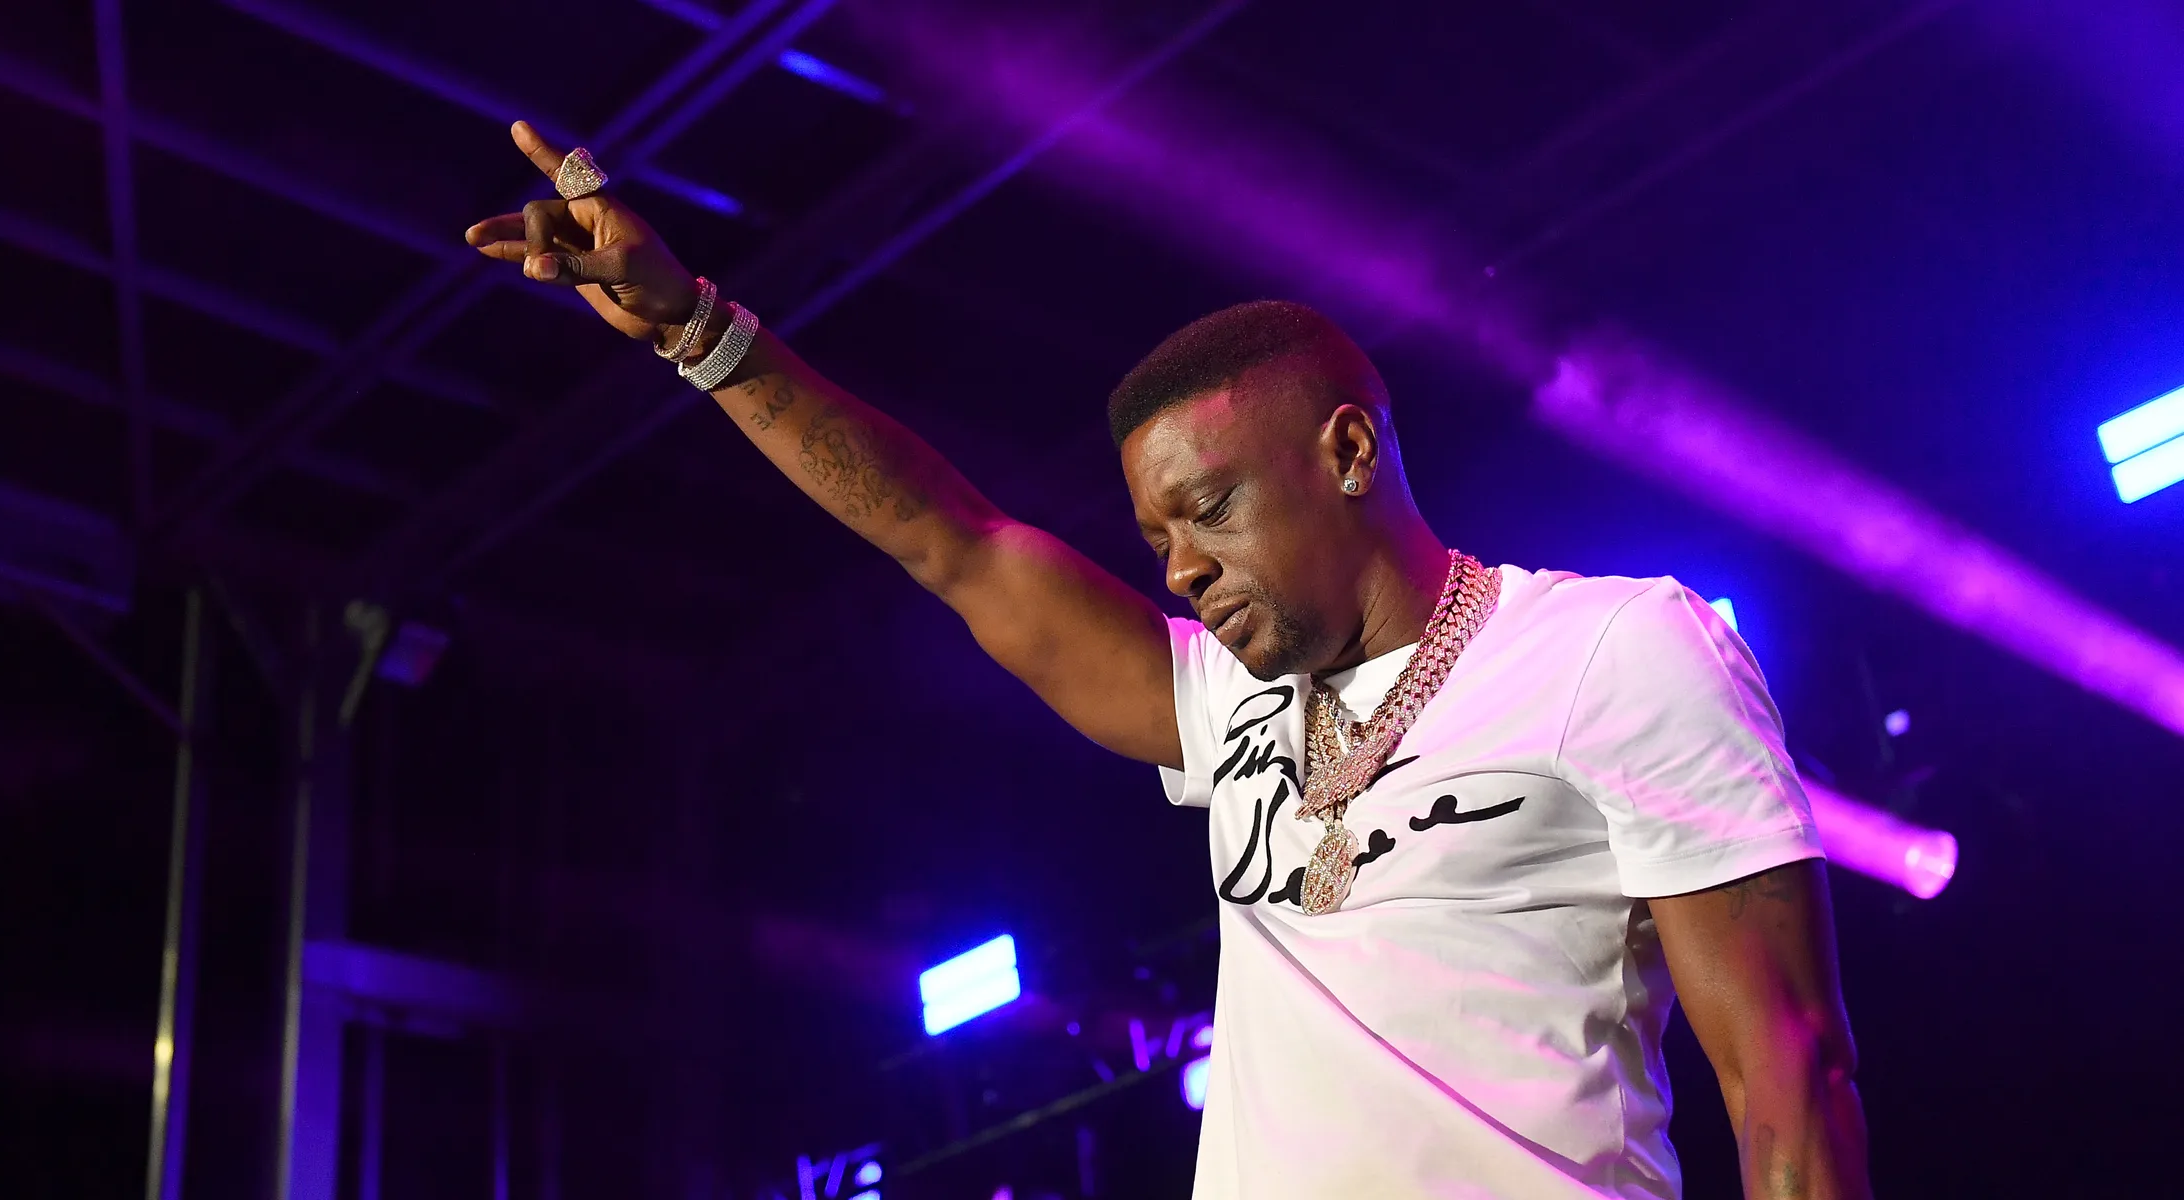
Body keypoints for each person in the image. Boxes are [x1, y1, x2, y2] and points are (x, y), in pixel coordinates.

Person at [467, 121, 1872, 1199]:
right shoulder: (1225, 699)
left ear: (1347, 451)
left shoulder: (1615, 650)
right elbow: (953, 544)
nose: (1180, 567)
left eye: (1209, 510)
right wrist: (696, 331)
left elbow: (1787, 1078)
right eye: (1157, 537)